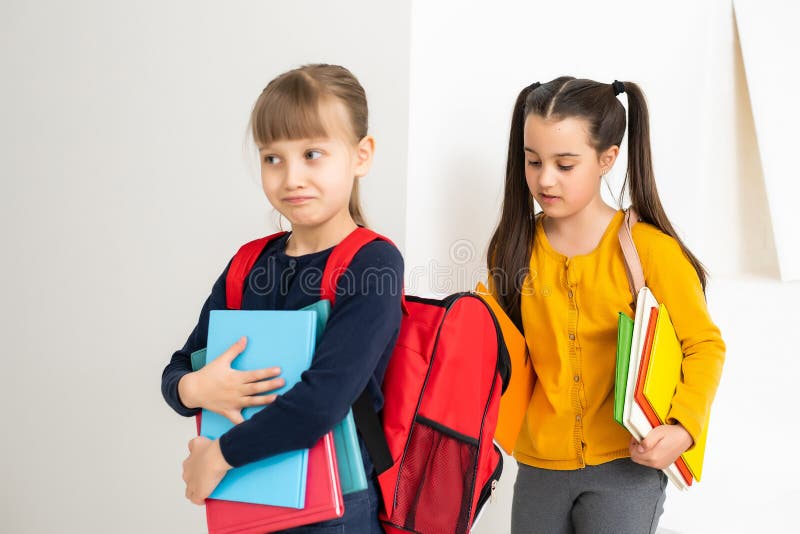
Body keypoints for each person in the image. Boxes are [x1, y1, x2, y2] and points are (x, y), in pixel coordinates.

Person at [161, 63, 403, 533]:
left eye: (313, 154)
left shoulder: (372, 264)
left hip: (333, 510)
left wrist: (219, 457)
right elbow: (178, 369)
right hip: (245, 498)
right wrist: (195, 388)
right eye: (273, 158)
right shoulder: (248, 264)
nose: (291, 177)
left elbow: (322, 402)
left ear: (361, 155)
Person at [487, 77, 725, 534]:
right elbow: (505, 355)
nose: (544, 178)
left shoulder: (650, 250)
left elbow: (704, 345)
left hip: (627, 467)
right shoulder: (513, 249)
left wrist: (682, 428)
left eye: (565, 164)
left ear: (606, 158)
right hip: (539, 467)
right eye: (532, 161)